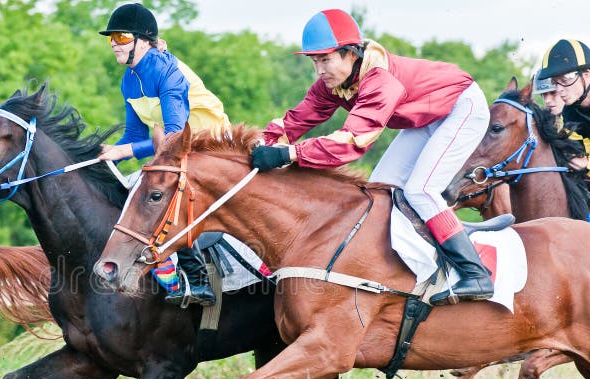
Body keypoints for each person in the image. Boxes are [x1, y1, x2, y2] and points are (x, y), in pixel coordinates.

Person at [251, 9, 492, 305]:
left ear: (351, 54)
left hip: (461, 107)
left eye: (325, 60)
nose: (319, 70)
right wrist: (260, 143)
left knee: (420, 190)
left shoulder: (381, 81)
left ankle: (476, 273)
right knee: (378, 189)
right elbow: (297, 119)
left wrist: (289, 153)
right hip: (428, 116)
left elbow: (351, 142)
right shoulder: (334, 83)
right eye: (315, 61)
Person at [97, 3, 230, 307]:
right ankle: (167, 279)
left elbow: (173, 136)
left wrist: (125, 151)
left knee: (166, 193)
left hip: (212, 146)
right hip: (178, 149)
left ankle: (198, 280)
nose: (114, 44)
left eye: (121, 37)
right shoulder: (129, 79)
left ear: (143, 41)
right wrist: (106, 155)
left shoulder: (167, 71)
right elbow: (134, 137)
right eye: (111, 39)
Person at [536, 39, 590, 178]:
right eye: (555, 83)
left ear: (586, 75)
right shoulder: (569, 112)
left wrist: (587, 164)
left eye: (565, 81)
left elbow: (584, 163)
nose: (559, 89)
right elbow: (577, 153)